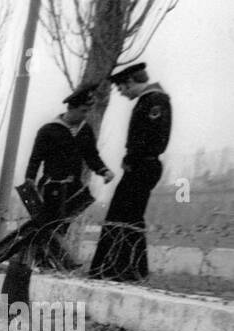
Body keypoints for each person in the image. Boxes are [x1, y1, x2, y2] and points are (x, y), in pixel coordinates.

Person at [89, 63, 171, 282]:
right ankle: (125, 269)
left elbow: (153, 139)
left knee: (126, 215)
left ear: (131, 82)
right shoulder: (148, 100)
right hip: (139, 165)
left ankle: (120, 269)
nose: (122, 93)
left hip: (142, 166)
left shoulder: (155, 100)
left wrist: (131, 158)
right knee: (125, 215)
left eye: (121, 88)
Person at [24, 84, 115, 270]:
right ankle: (45, 263)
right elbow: (35, 158)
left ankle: (52, 264)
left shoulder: (85, 130)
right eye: (83, 111)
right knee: (48, 226)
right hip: (51, 187)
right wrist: (30, 179)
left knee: (61, 227)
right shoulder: (49, 130)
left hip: (73, 189)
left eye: (88, 111)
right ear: (71, 108)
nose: (85, 115)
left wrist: (104, 170)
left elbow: (92, 156)